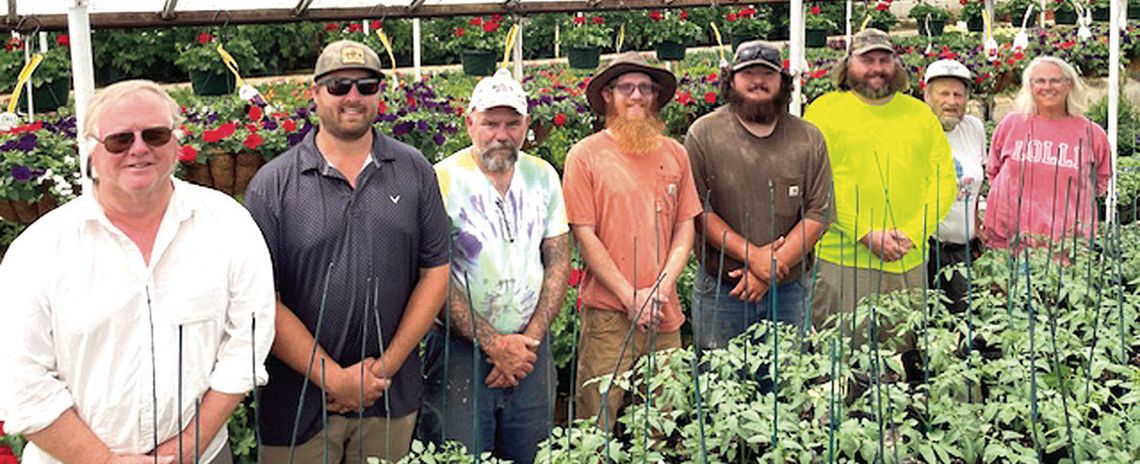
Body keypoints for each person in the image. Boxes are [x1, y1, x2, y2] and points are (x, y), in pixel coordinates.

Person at [0, 79, 275, 464]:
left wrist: (190, 444)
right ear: (91, 151)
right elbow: (21, 384)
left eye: (155, 135)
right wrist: (107, 461)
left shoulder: (229, 225)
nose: (139, 148)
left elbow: (247, 344)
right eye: (119, 140)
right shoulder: (39, 250)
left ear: (176, 144)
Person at [244, 40, 450, 463]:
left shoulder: (414, 171)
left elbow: (435, 272)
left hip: (389, 397)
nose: (353, 96)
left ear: (380, 94)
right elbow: (264, 298)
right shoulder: (274, 184)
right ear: (315, 93)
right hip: (297, 403)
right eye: (338, 86)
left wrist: (382, 370)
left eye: (365, 86)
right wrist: (332, 379)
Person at [418, 69, 570, 463]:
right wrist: (492, 343)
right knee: (460, 454)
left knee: (533, 454)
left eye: (512, 123)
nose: (501, 134)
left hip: (530, 352)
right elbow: (431, 275)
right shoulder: (440, 180)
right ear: (469, 122)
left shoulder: (543, 177)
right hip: (459, 351)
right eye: (490, 123)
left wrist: (527, 342)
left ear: (526, 126)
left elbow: (557, 261)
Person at [562, 52, 701, 430]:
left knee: (663, 420)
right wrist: (630, 297)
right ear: (608, 95)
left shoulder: (676, 153)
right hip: (609, 313)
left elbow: (684, 227)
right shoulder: (585, 156)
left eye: (646, 88)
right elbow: (584, 234)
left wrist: (661, 289)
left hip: (664, 313)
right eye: (627, 87)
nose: (637, 95)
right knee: (597, 417)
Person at [804, 29, 956, 352]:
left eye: (884, 59)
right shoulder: (823, 111)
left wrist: (914, 232)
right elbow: (817, 183)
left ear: (896, 65)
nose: (876, 67)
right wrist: (864, 233)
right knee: (841, 361)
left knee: (900, 362)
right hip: (841, 261)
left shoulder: (919, 115)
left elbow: (944, 181)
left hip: (907, 259)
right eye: (867, 60)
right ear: (848, 65)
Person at [684, 40, 832, 348]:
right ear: (731, 80)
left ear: (782, 82)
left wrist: (772, 269)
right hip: (723, 290)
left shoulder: (807, 138)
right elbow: (699, 210)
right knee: (719, 384)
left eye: (767, 74)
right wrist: (755, 257)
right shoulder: (704, 134)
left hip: (789, 292)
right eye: (748, 73)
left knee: (785, 384)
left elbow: (818, 213)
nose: (758, 81)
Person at [983, 56, 1111, 251]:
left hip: (1066, 247)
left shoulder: (1092, 133)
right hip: (1008, 241)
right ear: (1030, 86)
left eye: (1055, 80)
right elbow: (993, 171)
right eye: (1040, 81)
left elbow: (1100, 184)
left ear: (1069, 85)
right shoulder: (1011, 124)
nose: (1047, 86)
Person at [922, 59, 987, 314]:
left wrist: (977, 223)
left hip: (964, 251)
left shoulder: (974, 129)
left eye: (958, 94)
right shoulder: (917, 130)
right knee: (925, 325)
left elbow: (979, 178)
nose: (952, 101)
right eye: (944, 93)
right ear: (927, 96)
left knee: (967, 322)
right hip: (926, 250)